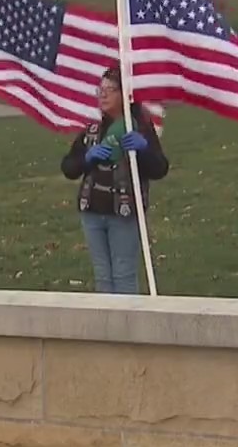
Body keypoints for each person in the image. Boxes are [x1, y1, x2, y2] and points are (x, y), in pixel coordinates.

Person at [60, 66, 169, 294]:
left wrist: (144, 149)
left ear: (124, 94)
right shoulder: (93, 130)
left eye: (110, 89)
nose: (103, 95)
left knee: (123, 273)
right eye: (100, 90)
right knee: (103, 275)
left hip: (123, 213)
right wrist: (87, 158)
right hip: (92, 211)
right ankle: (108, 325)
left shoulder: (138, 129)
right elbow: (69, 167)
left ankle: (128, 324)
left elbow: (159, 168)